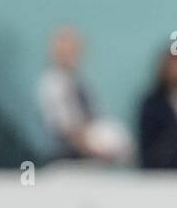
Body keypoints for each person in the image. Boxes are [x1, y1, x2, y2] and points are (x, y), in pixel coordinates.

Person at [37, 25, 132, 163]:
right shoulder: (51, 83)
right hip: (68, 156)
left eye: (73, 50)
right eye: (64, 50)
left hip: (90, 154)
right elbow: (63, 126)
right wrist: (93, 149)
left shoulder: (80, 81)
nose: (68, 55)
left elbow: (96, 116)